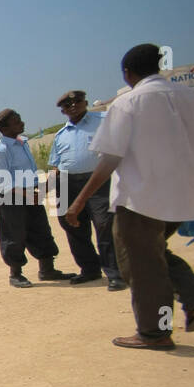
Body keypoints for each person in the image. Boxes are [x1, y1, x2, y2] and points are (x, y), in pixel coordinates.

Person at [67, 43, 194, 348]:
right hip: (181, 197)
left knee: (141, 267)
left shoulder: (127, 104)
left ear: (127, 73)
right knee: (154, 255)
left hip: (141, 201)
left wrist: (79, 201)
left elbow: (109, 159)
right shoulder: (193, 98)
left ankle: (156, 332)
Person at [0, 109, 72, 287]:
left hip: (30, 195)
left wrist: (40, 189)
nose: (22, 123)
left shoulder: (22, 143)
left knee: (41, 230)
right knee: (14, 235)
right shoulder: (1, 151)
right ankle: (15, 274)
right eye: (17, 121)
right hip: (10, 198)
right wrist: (27, 194)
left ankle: (47, 270)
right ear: (5, 128)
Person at [49, 90, 125, 290]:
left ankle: (115, 273)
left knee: (104, 225)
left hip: (98, 181)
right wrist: (47, 187)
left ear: (86, 102)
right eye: (67, 106)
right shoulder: (60, 135)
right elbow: (56, 165)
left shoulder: (103, 120)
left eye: (77, 102)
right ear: (63, 111)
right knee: (72, 226)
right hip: (67, 184)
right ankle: (89, 269)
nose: (72, 107)